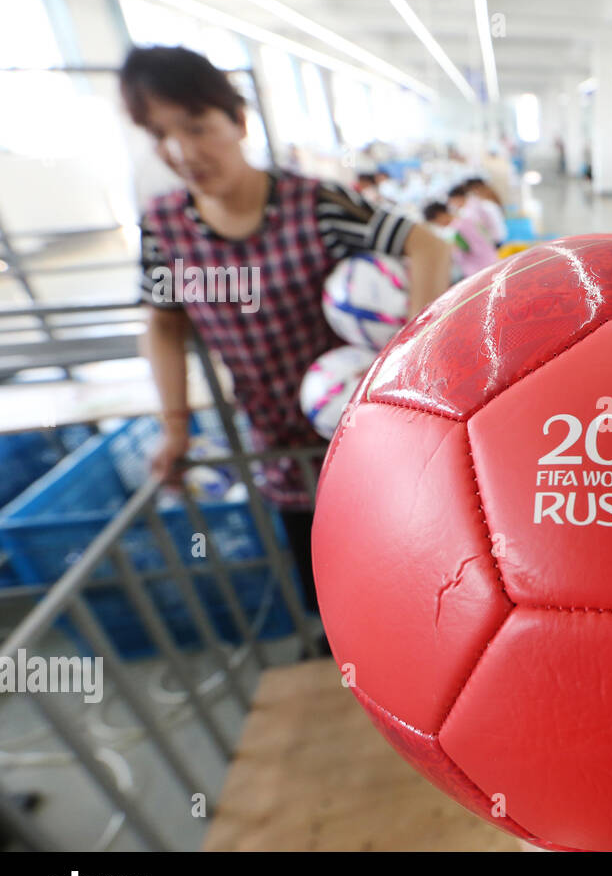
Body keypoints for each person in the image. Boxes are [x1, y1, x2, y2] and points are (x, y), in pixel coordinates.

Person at [123, 45, 451, 616]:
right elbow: (165, 325)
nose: (182, 151)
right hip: (275, 442)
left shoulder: (315, 203)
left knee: (403, 566)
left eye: (198, 127)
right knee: (323, 581)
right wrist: (175, 426)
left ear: (239, 121)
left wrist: (410, 358)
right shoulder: (164, 228)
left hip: (364, 430)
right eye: (160, 134)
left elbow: (426, 244)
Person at [446, 183, 501, 276]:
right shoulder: (468, 209)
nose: (453, 205)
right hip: (487, 247)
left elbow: (482, 230)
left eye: (453, 201)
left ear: (458, 198)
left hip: (487, 247)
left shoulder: (470, 211)